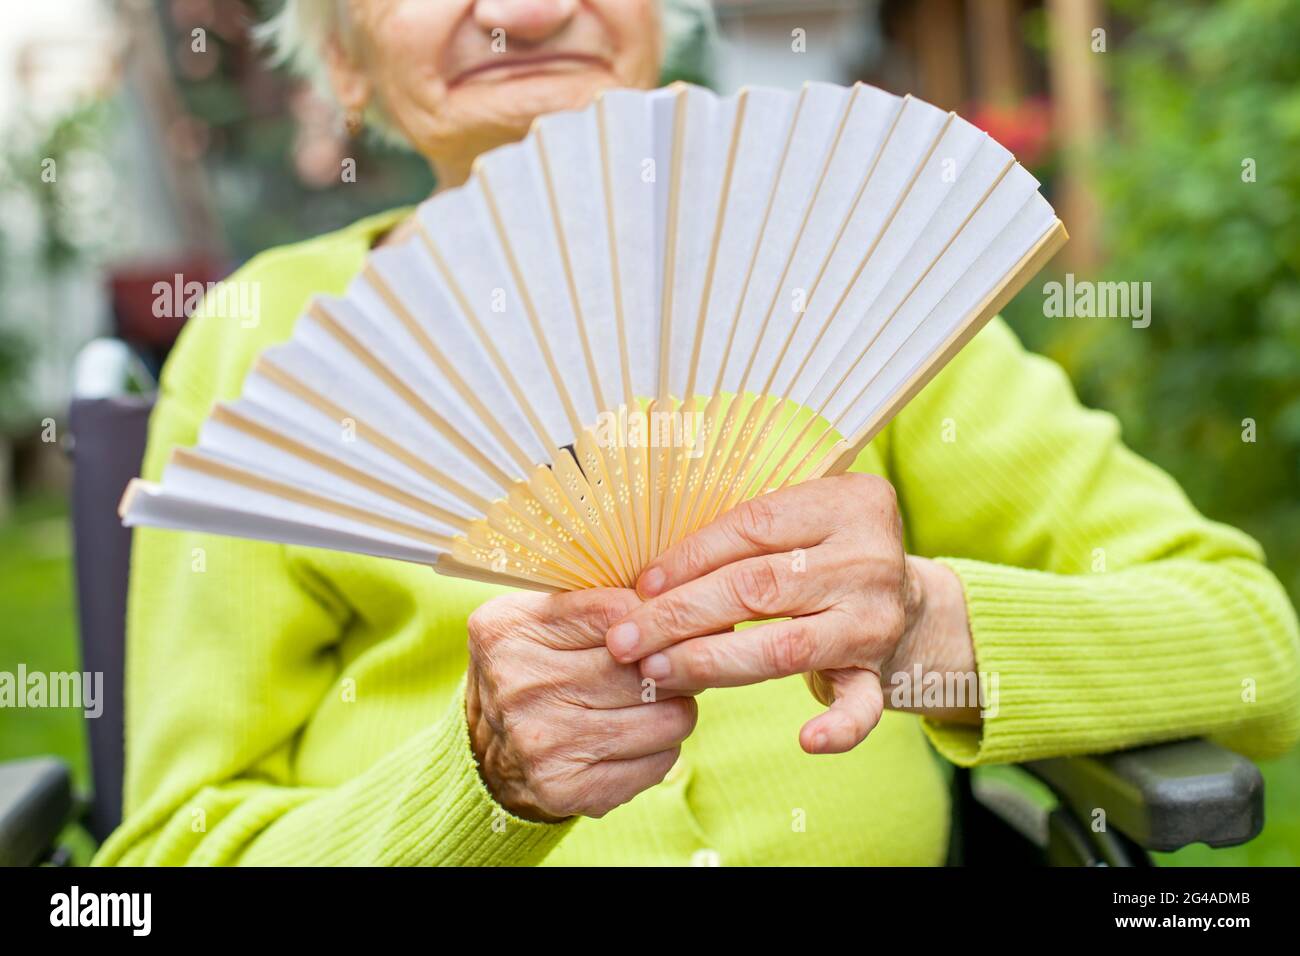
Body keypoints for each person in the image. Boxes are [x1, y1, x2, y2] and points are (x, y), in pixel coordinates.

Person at [96, 0, 1300, 866]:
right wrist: (475, 787)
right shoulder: (265, 337)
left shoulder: (854, 277)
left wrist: (926, 627)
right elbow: (170, 853)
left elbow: (1253, 650)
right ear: (341, 61)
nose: (523, 9)